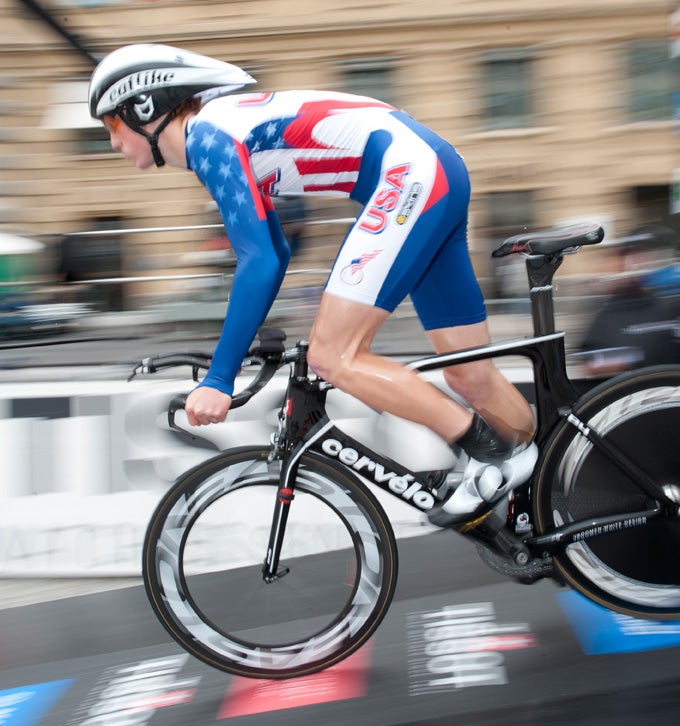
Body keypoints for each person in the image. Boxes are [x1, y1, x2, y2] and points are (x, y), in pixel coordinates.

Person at [87, 43, 537, 527]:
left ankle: (492, 455)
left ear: (144, 110)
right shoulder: (222, 127)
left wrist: (220, 379)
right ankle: (549, 472)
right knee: (469, 376)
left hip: (411, 178)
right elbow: (275, 253)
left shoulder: (207, 138)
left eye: (112, 125)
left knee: (332, 355)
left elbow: (258, 261)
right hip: (434, 170)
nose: (113, 142)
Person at [579, 225, 679, 377]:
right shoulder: (610, 307)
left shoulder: (666, 303)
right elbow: (591, 363)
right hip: (635, 391)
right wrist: (633, 356)